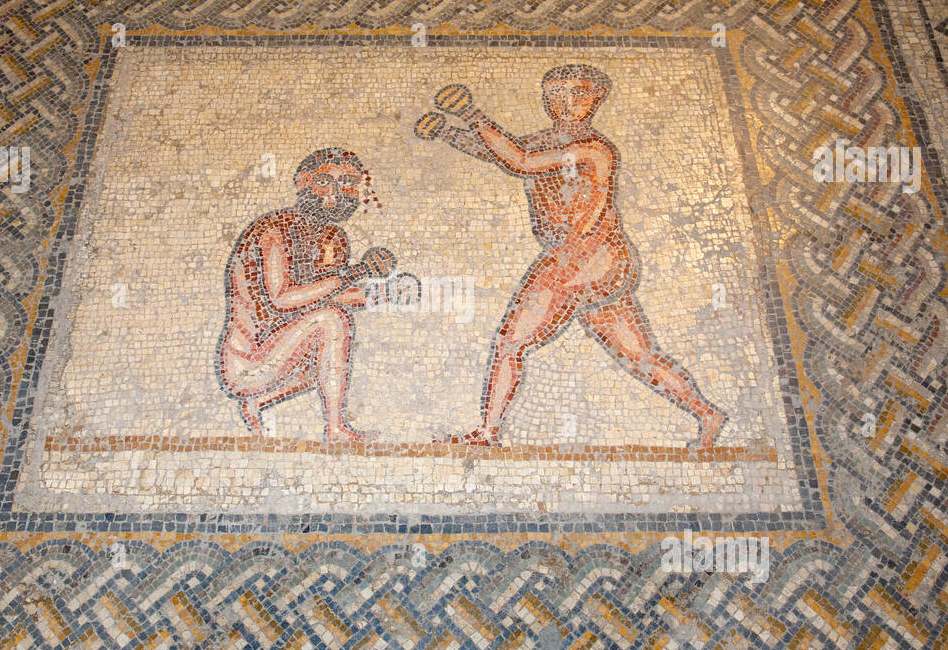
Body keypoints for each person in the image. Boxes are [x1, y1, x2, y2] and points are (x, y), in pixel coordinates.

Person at [415, 64, 726, 448]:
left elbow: (521, 162)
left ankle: (487, 432)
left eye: (577, 93)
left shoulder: (595, 149)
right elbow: (495, 151)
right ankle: (707, 413)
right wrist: (448, 132)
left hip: (582, 257)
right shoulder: (542, 141)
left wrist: (470, 114)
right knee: (640, 355)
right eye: (556, 93)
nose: (565, 101)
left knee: (510, 343)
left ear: (598, 98)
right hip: (602, 265)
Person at [217, 148, 395, 442]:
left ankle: (259, 403)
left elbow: (326, 295)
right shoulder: (272, 230)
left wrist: (381, 294)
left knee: (334, 344)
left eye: (348, 181)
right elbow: (283, 298)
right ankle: (336, 428)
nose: (336, 192)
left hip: (284, 352)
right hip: (247, 362)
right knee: (333, 322)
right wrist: (354, 273)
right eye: (325, 180)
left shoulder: (333, 238)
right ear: (303, 182)